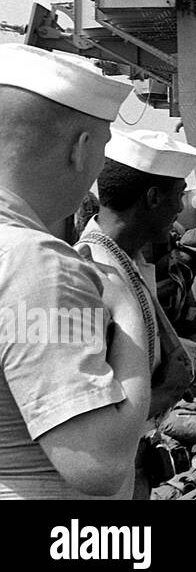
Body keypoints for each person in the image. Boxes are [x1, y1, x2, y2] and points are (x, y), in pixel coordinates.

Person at [0, 43, 149, 500]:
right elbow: (97, 464)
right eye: (104, 147)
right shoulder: (36, 263)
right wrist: (128, 316)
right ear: (82, 149)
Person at [77, 130, 196, 496]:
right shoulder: (90, 276)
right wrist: (165, 392)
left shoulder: (128, 261)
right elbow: (91, 420)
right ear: (151, 198)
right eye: (177, 196)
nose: (181, 209)